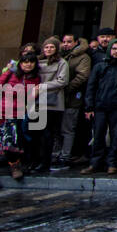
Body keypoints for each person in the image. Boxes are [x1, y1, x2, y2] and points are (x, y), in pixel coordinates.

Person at [0, 51, 41, 189]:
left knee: (11, 143)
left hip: (16, 114)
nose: (28, 64)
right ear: (20, 63)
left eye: (31, 62)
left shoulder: (35, 79)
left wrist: (35, 94)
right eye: (25, 61)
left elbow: (29, 99)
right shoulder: (10, 74)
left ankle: (15, 166)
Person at [82, 39, 117, 175]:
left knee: (116, 136)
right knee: (98, 136)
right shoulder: (100, 66)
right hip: (100, 106)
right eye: (114, 49)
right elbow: (91, 87)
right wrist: (89, 107)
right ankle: (95, 163)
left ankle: (112, 162)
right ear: (109, 50)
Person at [33, 37, 69, 171]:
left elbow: (62, 81)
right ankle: (36, 160)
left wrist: (41, 86)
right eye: (46, 47)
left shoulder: (61, 62)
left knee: (48, 133)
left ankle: (45, 161)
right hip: (37, 101)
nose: (49, 49)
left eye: (51, 47)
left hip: (53, 102)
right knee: (37, 132)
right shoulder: (37, 61)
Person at [57, 36, 92, 165]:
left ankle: (65, 155)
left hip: (71, 98)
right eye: (64, 42)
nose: (66, 44)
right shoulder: (60, 56)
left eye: (69, 42)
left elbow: (82, 76)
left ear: (76, 43)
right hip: (55, 100)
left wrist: (66, 88)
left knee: (68, 128)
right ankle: (56, 153)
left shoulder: (82, 57)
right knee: (56, 129)